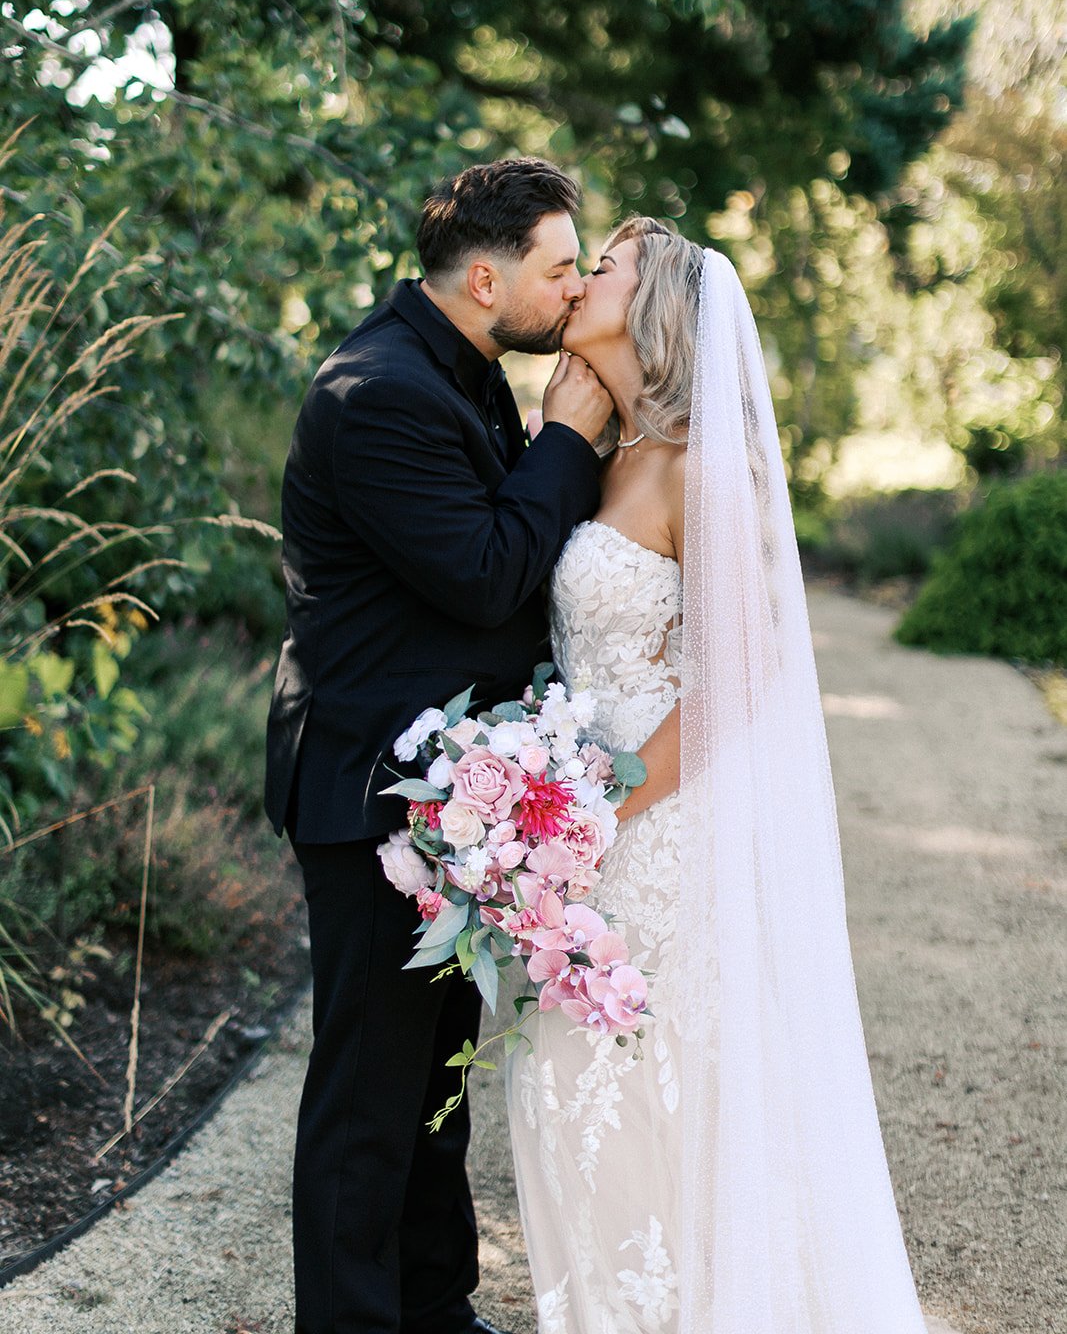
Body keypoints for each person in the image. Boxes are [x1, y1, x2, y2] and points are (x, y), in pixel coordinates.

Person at [506, 217, 933, 1334]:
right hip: (573, 840)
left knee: (668, 1107)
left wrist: (597, 812)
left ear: (653, 308)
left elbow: (741, 679)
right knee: (565, 1104)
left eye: (600, 266)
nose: (576, 281)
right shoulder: (598, 457)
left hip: (655, 837)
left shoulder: (702, 468)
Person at [264, 157, 613, 1334]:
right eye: (558, 269)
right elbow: (482, 572)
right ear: (484, 279)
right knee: (367, 1095)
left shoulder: (459, 369)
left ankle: (433, 1307)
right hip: (370, 789)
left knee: (431, 1086)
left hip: (449, 797)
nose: (574, 290)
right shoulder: (378, 393)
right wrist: (568, 434)